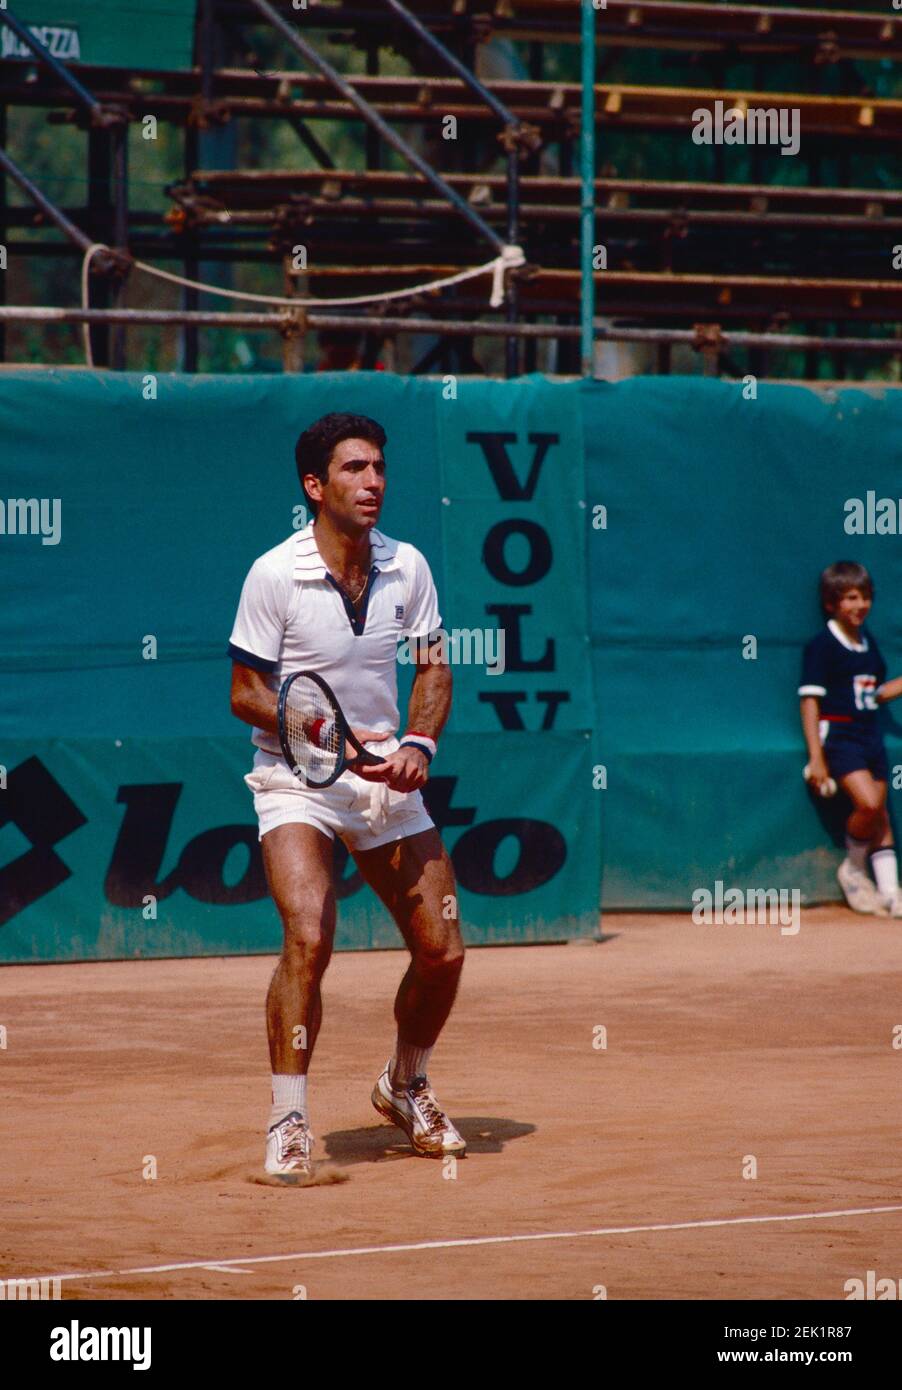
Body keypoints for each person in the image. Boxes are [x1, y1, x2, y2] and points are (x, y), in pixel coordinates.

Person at [228, 412, 465, 1182]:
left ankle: (405, 1083)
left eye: (380, 469)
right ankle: (289, 1116)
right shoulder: (273, 573)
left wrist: (415, 745)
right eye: (356, 470)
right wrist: (323, 736)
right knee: (309, 933)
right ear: (315, 485)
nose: (374, 483)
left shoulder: (410, 567)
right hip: (295, 779)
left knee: (443, 951)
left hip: (383, 785)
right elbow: (245, 693)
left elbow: (433, 670)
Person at [799, 560, 902, 917]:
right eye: (851, 598)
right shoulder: (822, 646)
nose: (861, 605)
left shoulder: (868, 643)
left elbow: (873, 694)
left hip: (869, 735)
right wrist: (817, 757)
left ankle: (890, 891)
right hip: (840, 737)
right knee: (869, 805)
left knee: (882, 814)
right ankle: (854, 870)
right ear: (831, 603)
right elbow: (810, 700)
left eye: (866, 597)